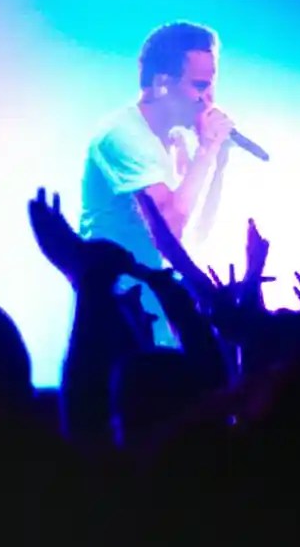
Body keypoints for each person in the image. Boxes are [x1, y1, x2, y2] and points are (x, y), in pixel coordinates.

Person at [80, 22, 234, 346]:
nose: (209, 100)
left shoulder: (175, 138)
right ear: (163, 84)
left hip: (157, 311)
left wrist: (215, 165)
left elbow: (195, 232)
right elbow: (169, 229)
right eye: (200, 86)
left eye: (211, 86)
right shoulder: (124, 136)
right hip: (118, 316)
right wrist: (206, 151)